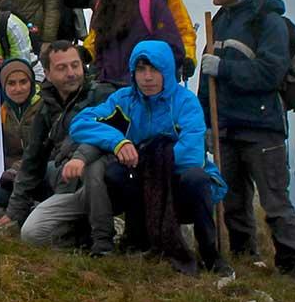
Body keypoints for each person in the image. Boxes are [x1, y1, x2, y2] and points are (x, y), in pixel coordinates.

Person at [68, 40, 229, 276]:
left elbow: (192, 155)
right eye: (141, 70)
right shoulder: (124, 99)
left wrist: (147, 159)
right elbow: (81, 123)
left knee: (197, 178)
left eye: (154, 70)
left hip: (179, 185)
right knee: (114, 174)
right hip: (143, 181)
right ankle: (137, 240)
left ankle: (210, 254)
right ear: (133, 72)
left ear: (167, 72)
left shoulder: (186, 102)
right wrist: (118, 142)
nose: (147, 77)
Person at [198, 0, 295, 277]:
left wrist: (224, 68)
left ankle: (291, 268)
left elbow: (271, 72)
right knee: (232, 199)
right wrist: (202, 119)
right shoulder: (219, 21)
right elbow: (207, 79)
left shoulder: (267, 21)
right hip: (226, 127)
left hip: (262, 128)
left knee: (274, 202)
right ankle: (245, 257)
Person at [8, 41, 114, 251]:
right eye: (62, 68)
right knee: (28, 229)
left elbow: (109, 140)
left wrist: (79, 157)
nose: (71, 73)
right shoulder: (47, 107)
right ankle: (75, 233)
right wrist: (13, 213)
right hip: (67, 184)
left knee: (91, 168)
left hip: (105, 182)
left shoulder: (102, 96)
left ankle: (101, 238)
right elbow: (33, 160)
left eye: (75, 65)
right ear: (47, 73)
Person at [84, 0, 184, 88]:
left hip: (144, 91)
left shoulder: (150, 3)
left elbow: (173, 47)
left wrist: (150, 81)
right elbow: (99, 47)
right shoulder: (103, 6)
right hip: (110, 90)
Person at [0, 57, 39, 221]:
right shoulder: (0, 112)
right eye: (11, 83)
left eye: (23, 82)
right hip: (13, 174)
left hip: (40, 170)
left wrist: (17, 169)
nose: (18, 89)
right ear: (3, 86)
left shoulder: (45, 107)